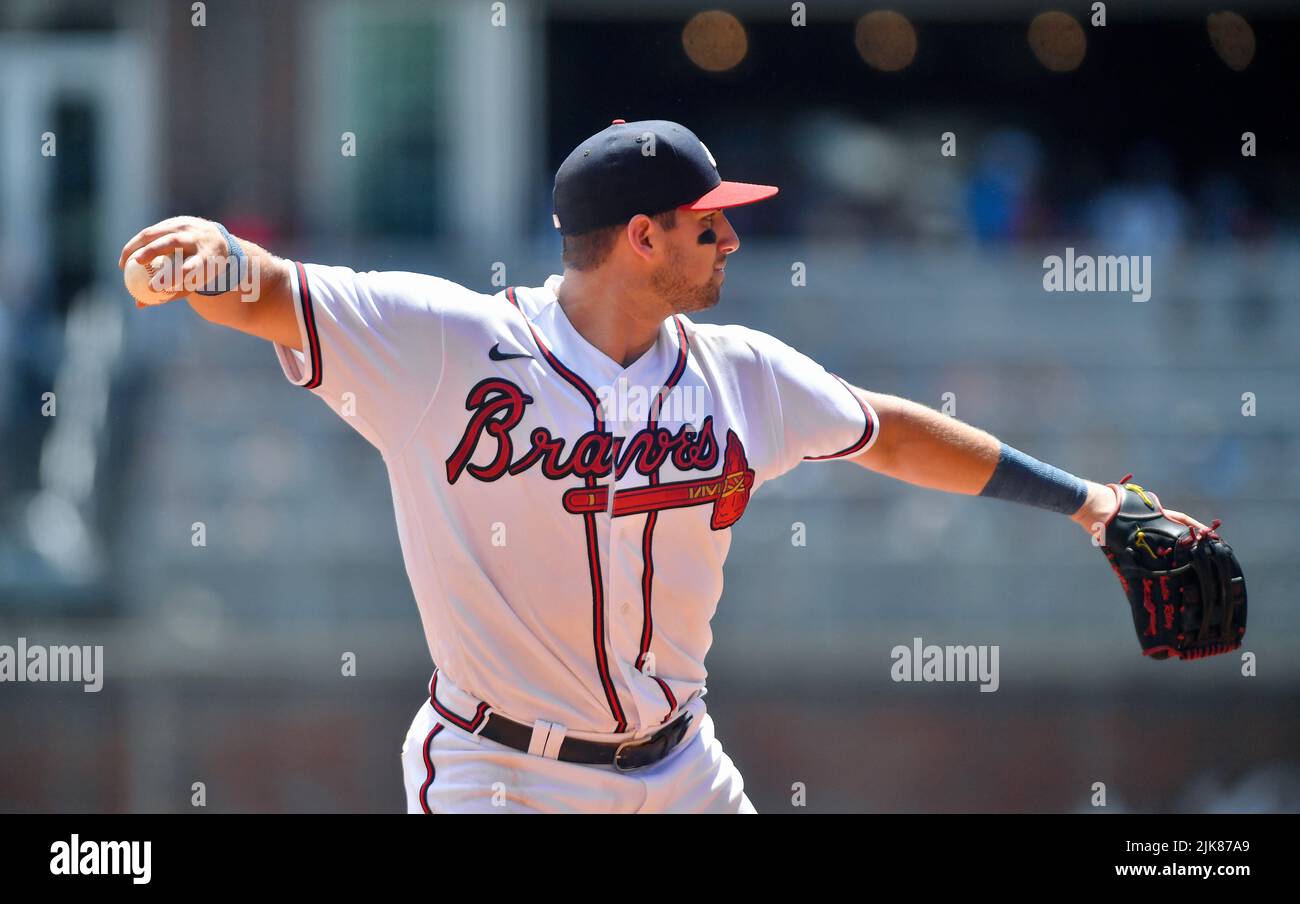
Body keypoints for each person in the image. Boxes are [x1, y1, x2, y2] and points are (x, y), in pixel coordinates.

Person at [118, 119, 1214, 813]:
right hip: (500, 775)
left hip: (681, 767)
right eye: (708, 226)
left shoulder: (742, 376)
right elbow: (267, 287)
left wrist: (1088, 503)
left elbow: (888, 429)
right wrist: (207, 255)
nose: (731, 242)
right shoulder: (446, 343)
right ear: (641, 236)